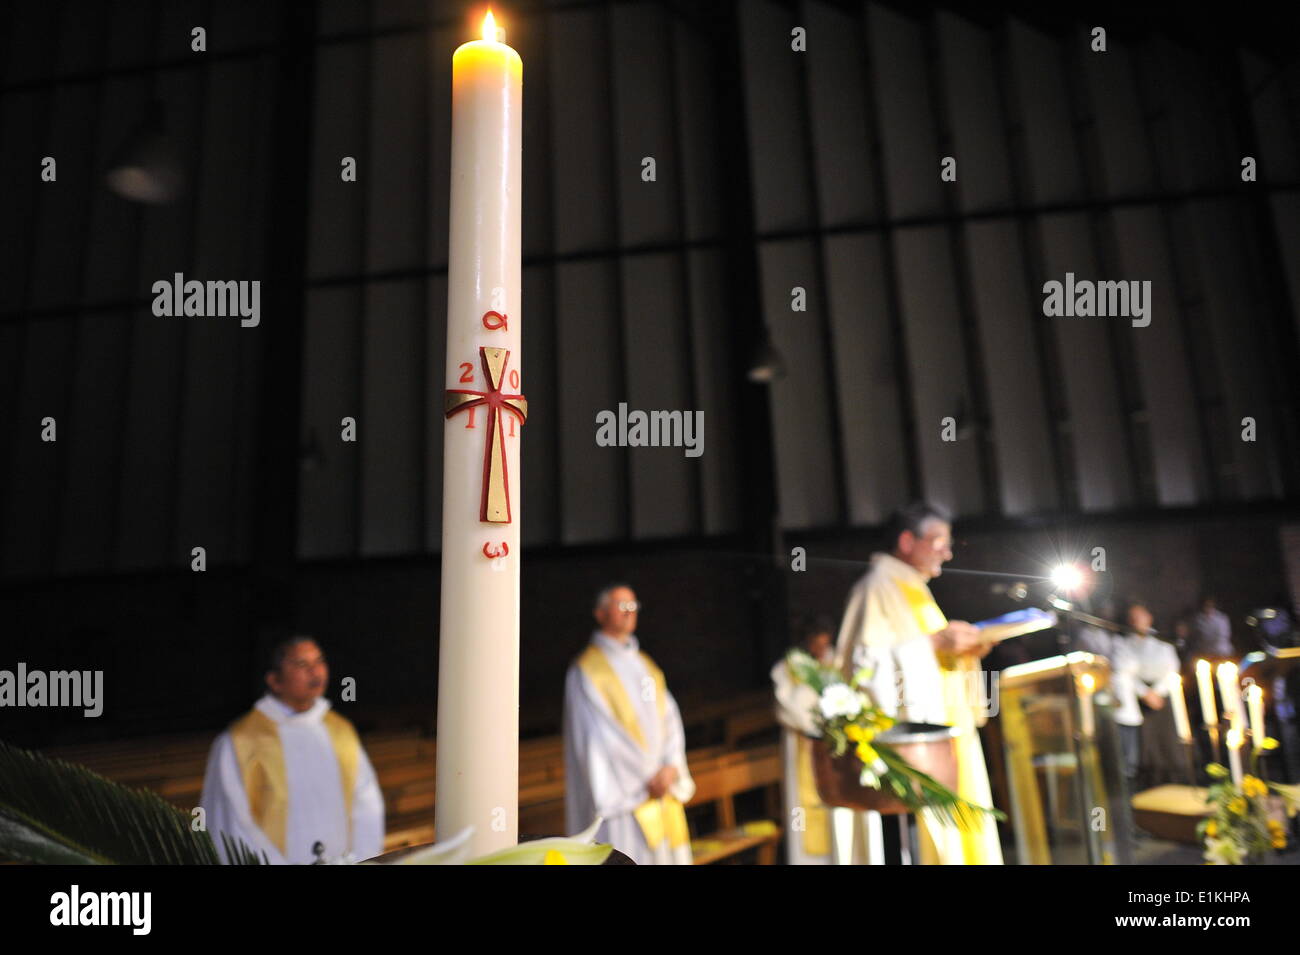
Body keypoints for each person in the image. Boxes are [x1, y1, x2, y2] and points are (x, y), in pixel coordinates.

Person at [834, 502, 1002, 865]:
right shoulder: (877, 587)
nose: (948, 551)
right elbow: (866, 667)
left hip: (947, 732)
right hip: (915, 747)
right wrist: (936, 644)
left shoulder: (914, 589)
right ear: (908, 541)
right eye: (939, 541)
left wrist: (967, 648)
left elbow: (927, 654)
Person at [199, 635, 385, 864]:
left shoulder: (340, 731)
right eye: (301, 664)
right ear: (274, 680)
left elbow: (366, 801)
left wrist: (361, 858)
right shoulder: (241, 742)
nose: (315, 671)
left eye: (319, 661)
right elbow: (232, 824)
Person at [563, 584, 695, 864]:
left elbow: (669, 719)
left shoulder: (646, 665)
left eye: (633, 606)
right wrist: (648, 777)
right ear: (600, 614)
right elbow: (597, 740)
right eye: (621, 606)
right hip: (624, 799)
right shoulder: (586, 672)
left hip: (660, 788)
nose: (628, 612)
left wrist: (671, 766)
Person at [771, 615, 837, 864]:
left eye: (825, 644)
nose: (822, 650)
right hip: (803, 748)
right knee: (805, 809)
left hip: (833, 750)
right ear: (807, 642)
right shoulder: (788, 669)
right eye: (816, 645)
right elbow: (790, 710)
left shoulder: (835, 662)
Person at [1111, 602, 1184, 791]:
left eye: (1140, 616)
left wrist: (1158, 692)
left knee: (1167, 742)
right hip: (1139, 697)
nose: (1136, 621)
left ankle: (1172, 780)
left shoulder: (1161, 641)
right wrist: (1144, 693)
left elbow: (1172, 669)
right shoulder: (1124, 643)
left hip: (1161, 695)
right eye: (1132, 617)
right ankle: (1149, 783)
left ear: (1149, 617)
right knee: (1145, 745)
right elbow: (1125, 672)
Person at [1186, 595, 1234, 662]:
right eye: (1206, 605)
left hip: (1220, 652)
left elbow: (1224, 635)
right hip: (1203, 652)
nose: (1208, 608)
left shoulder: (1221, 618)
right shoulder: (1197, 619)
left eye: (1210, 605)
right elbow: (1194, 635)